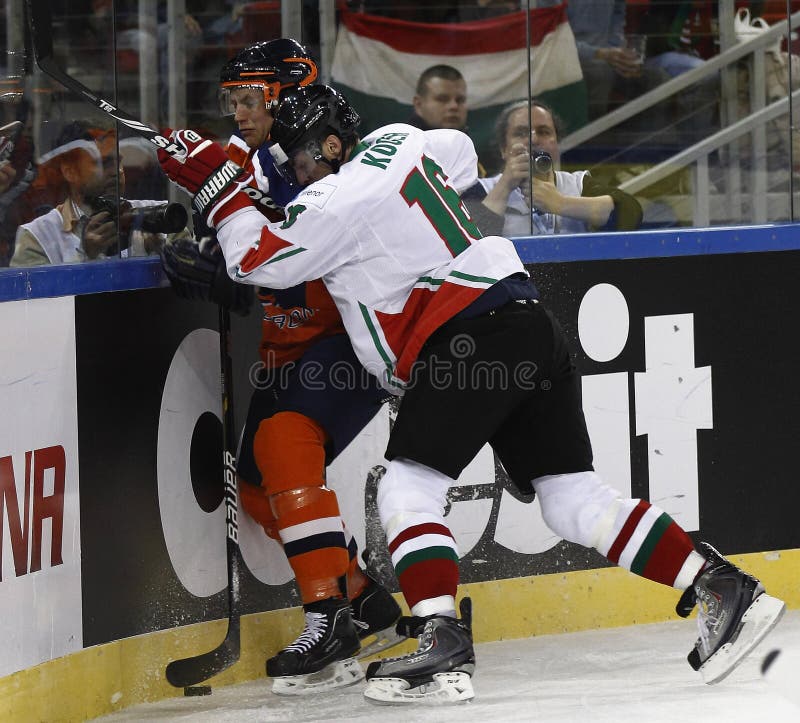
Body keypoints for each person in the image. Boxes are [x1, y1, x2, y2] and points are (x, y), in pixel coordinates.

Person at [156, 84, 785, 705]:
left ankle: (441, 644)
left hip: (462, 338)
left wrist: (222, 189)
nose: (297, 176)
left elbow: (255, 261)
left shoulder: (333, 200)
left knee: (407, 489)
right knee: (572, 499)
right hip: (526, 321)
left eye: (300, 160)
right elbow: (458, 152)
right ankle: (720, 584)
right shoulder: (401, 140)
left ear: (330, 146)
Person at [159, 39, 402, 695]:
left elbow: (302, 238)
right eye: (230, 101)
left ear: (287, 95)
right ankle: (364, 601)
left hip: (351, 338)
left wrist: (220, 192)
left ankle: (328, 618)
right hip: (289, 347)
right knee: (256, 487)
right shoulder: (252, 159)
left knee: (283, 441)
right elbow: (243, 247)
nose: (238, 113)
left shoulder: (329, 158)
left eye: (249, 99)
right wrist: (207, 253)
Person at [464, 99, 642, 236]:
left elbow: (630, 212)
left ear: (557, 144)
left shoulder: (578, 183)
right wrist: (504, 186)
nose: (533, 139)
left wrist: (560, 203)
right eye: (521, 133)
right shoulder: (483, 189)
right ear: (503, 149)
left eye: (544, 132)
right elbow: (468, 240)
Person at [10, 121, 170, 267]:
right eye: (104, 163)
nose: (118, 171)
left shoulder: (158, 215)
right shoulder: (38, 237)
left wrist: (164, 252)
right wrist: (86, 256)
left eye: (119, 161)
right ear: (70, 171)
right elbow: (34, 290)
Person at [567, 0, 671, 125]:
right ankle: (592, 134)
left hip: (608, 56)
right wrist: (599, 53)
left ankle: (650, 136)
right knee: (600, 73)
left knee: (659, 79)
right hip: (573, 60)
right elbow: (557, 44)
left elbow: (618, 15)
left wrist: (617, 51)